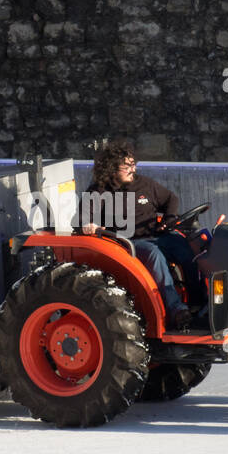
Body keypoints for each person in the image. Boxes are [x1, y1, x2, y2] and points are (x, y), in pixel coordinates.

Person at [77, 141, 193, 330]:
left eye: (134, 164)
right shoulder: (99, 191)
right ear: (113, 169)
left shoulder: (146, 184)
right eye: (127, 166)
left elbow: (171, 198)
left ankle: (198, 302)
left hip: (154, 235)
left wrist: (170, 218)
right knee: (154, 254)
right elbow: (84, 217)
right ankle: (177, 310)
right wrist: (88, 225)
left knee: (185, 248)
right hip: (125, 244)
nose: (133, 169)